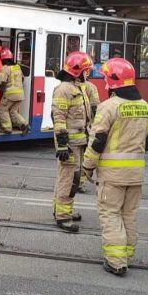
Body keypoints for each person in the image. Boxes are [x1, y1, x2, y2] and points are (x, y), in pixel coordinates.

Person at [82, 58, 148, 276]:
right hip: (136, 174)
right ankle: (127, 255)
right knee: (129, 215)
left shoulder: (108, 107)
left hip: (113, 175)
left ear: (112, 81)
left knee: (111, 214)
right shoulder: (146, 108)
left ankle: (116, 261)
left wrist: (86, 168)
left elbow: (97, 142)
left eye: (106, 78)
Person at [51, 51, 95, 232]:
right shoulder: (64, 90)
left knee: (69, 177)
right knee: (69, 179)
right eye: (86, 70)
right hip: (69, 144)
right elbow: (58, 117)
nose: (88, 74)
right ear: (78, 71)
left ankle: (61, 210)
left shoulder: (78, 88)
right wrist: (62, 144)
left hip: (78, 142)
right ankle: (63, 216)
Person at [75, 61, 101, 195]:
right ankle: (80, 182)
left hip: (79, 130)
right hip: (87, 129)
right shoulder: (91, 87)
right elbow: (96, 107)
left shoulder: (71, 86)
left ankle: (77, 182)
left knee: (78, 157)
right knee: (85, 157)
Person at [0, 48, 28, 134]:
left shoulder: (5, 68)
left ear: (2, 59)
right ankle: (24, 124)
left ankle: (7, 128)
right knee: (13, 111)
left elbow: (1, 82)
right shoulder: (17, 67)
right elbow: (22, 79)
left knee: (2, 110)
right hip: (20, 94)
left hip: (10, 94)